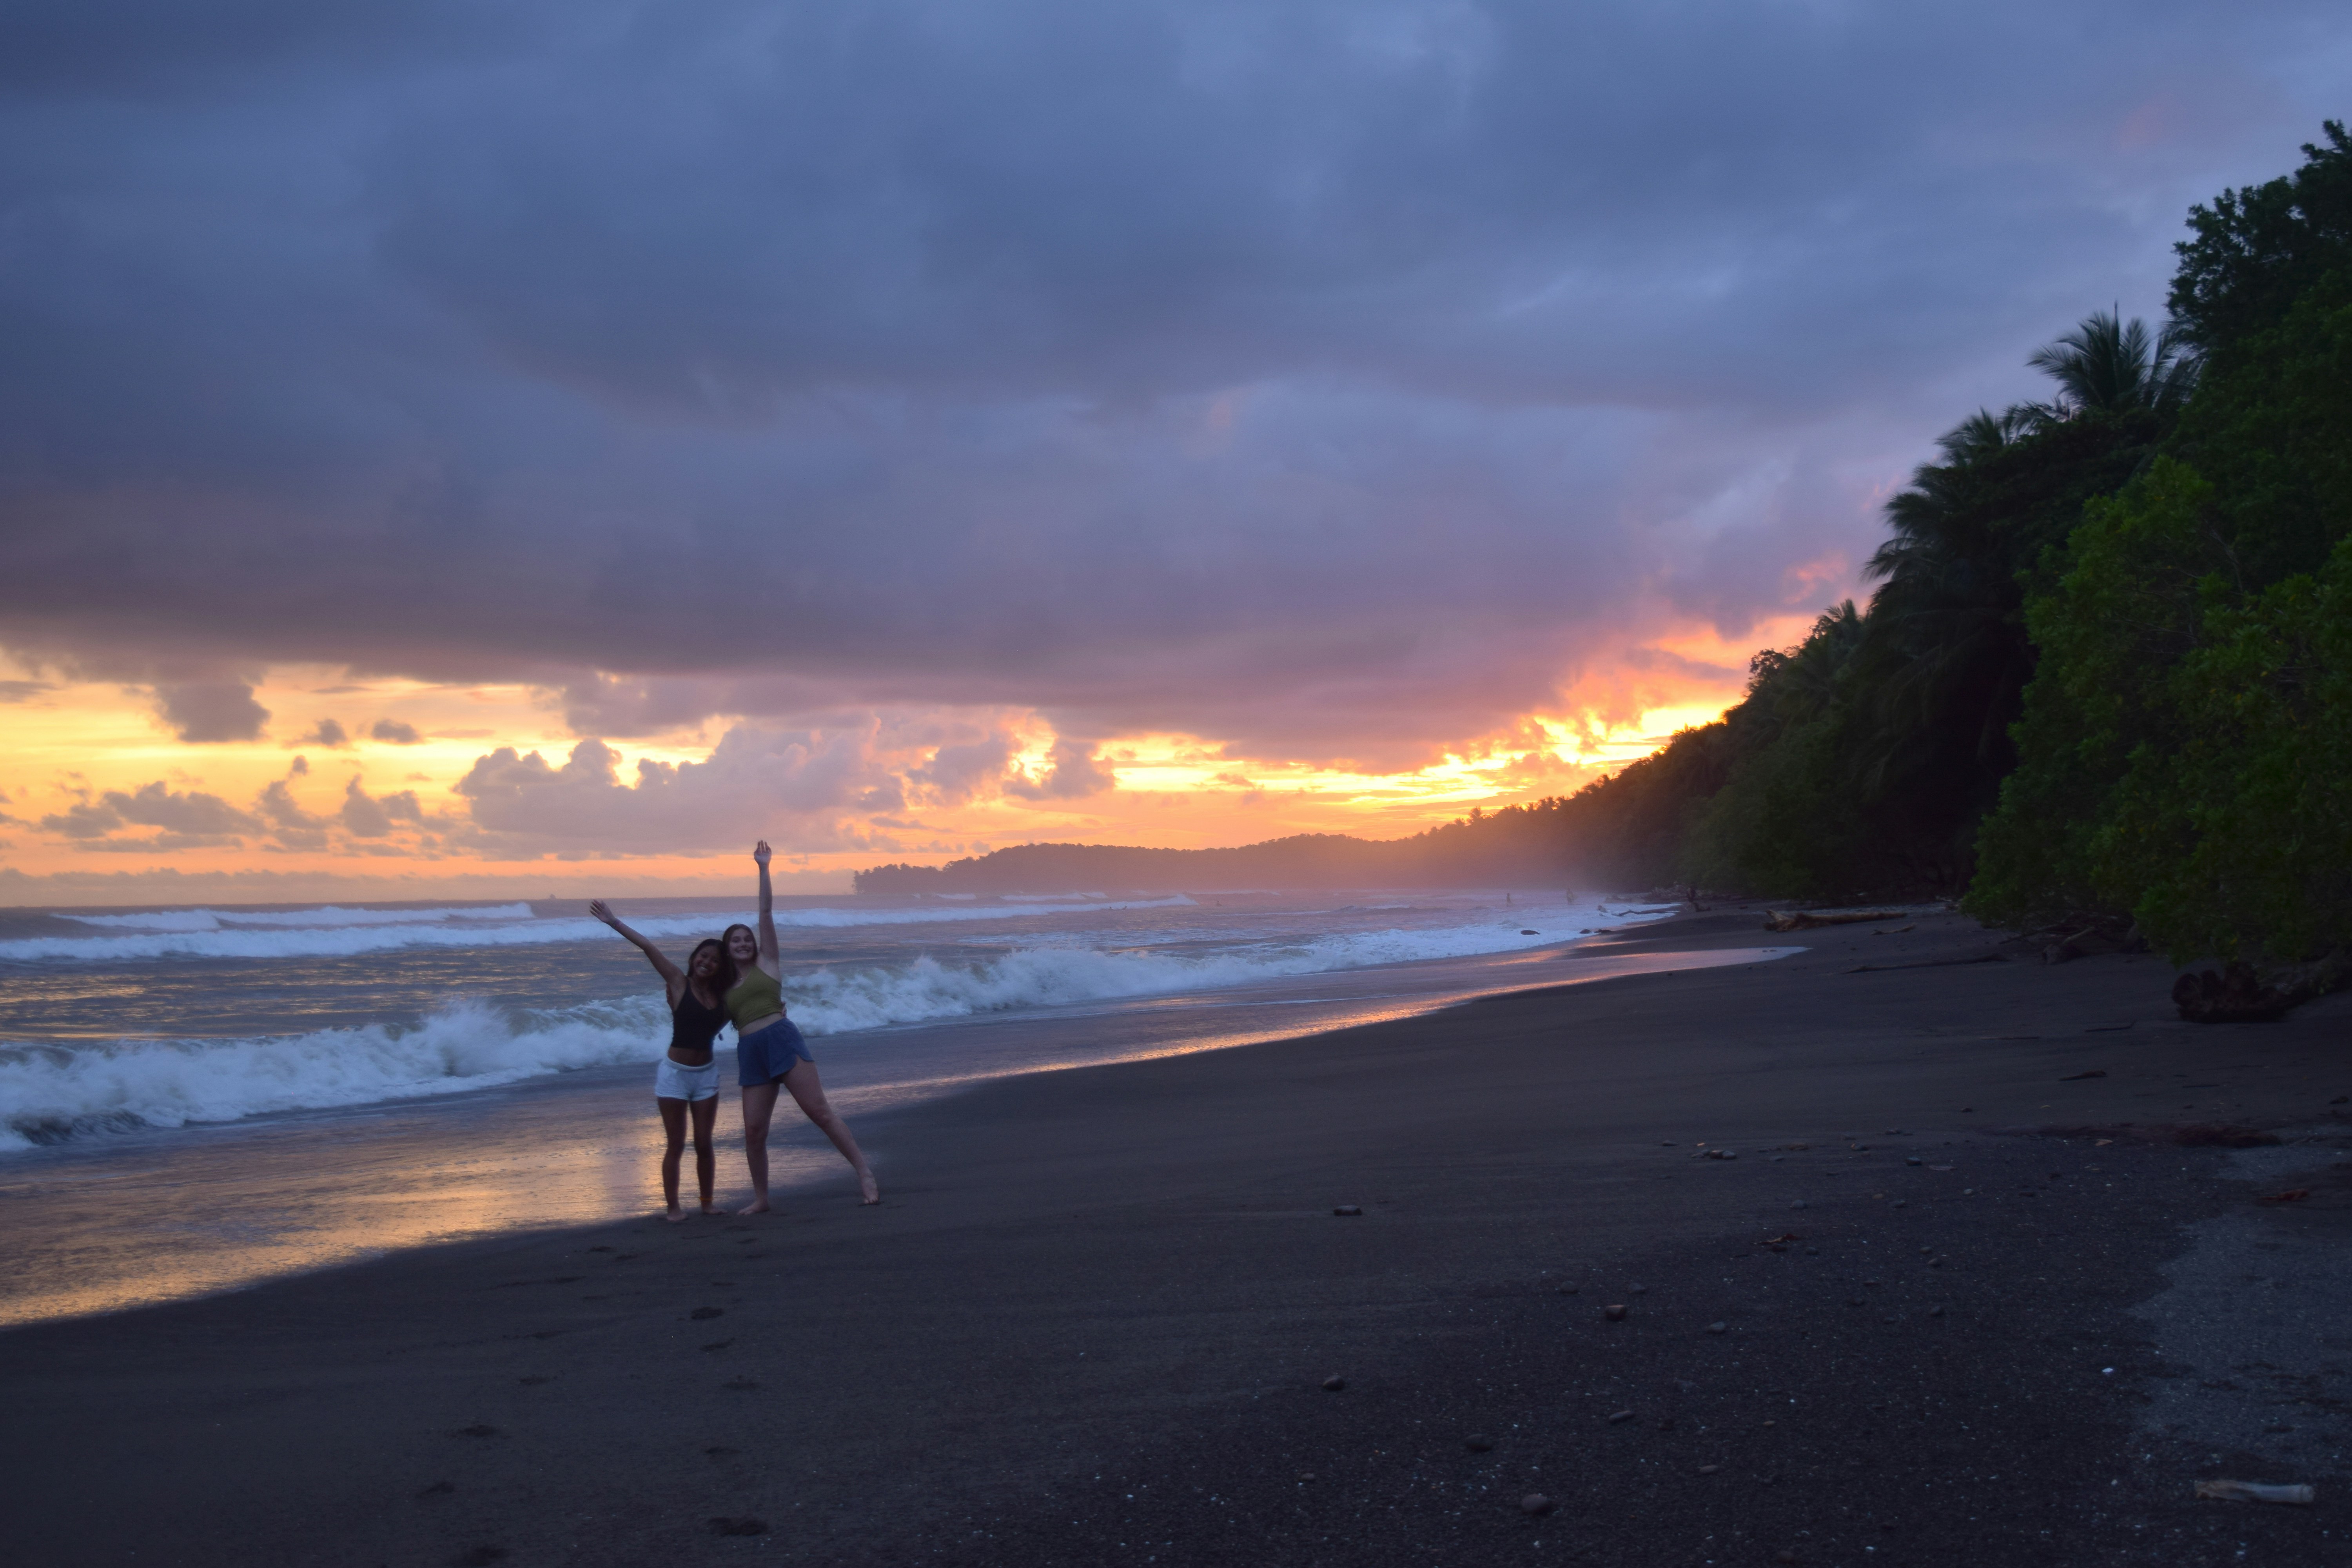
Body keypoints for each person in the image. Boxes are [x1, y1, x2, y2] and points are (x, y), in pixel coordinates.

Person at [723, 840, 880, 1212]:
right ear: (726, 949)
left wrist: (763, 868)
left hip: (781, 1039)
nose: (744, 944)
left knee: (819, 1112)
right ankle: (762, 1198)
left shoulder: (769, 962)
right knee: (753, 1131)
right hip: (750, 1052)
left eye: (747, 939)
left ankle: (864, 1172)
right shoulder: (723, 986)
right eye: (736, 941)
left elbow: (765, 912)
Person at [588, 899, 733, 1222]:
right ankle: (674, 1208)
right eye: (703, 956)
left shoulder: (725, 999)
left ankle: (707, 1202)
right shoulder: (679, 984)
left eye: (714, 960)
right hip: (675, 1075)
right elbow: (649, 948)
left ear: (721, 967)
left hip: (706, 1076)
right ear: (694, 958)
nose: (707, 962)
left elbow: (752, 1004)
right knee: (676, 1143)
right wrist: (614, 922)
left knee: (705, 1143)